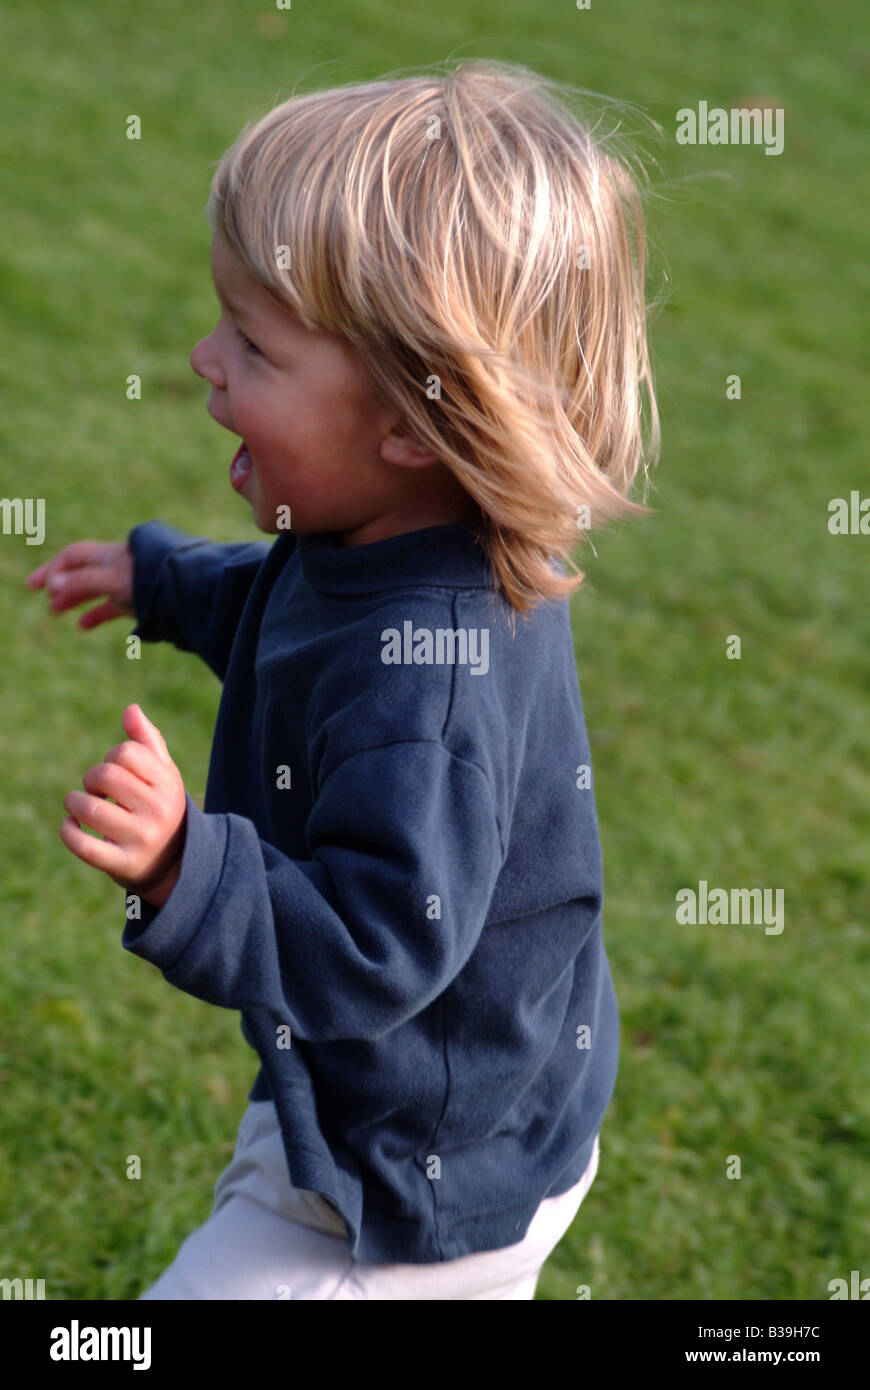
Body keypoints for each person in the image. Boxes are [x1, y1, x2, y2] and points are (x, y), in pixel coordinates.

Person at [26, 58, 660, 1299]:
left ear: (414, 423)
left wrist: (182, 866)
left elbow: (377, 945)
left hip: (409, 1177)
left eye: (254, 344)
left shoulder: (430, 690)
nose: (206, 359)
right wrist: (163, 583)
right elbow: (293, 612)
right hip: (457, 1097)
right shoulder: (388, 537)